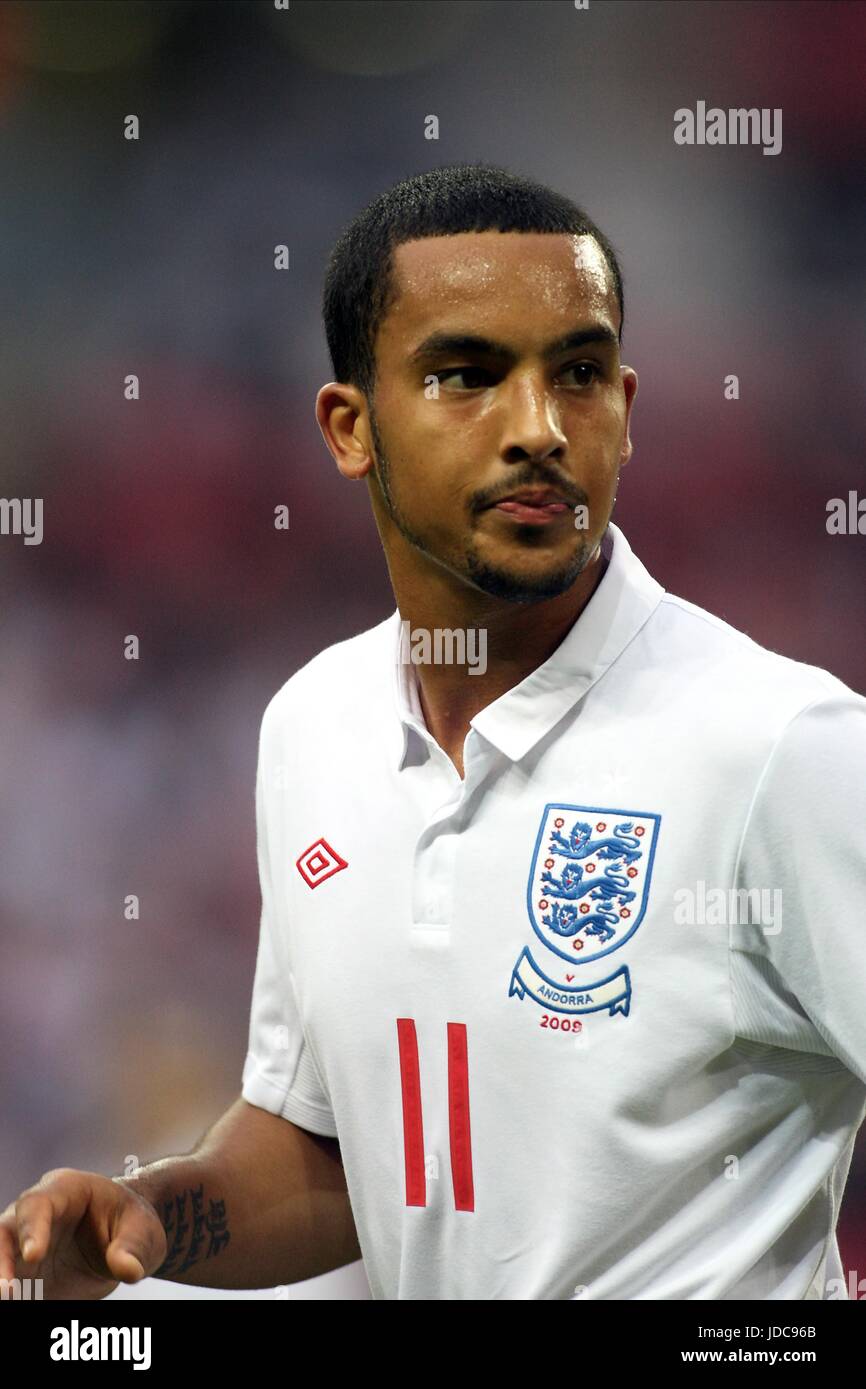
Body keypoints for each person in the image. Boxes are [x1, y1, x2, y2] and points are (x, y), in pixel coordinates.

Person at [3, 164, 865, 1301]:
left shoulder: (781, 747)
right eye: (466, 375)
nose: (540, 430)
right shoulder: (312, 725)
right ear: (349, 426)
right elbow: (330, 1156)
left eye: (579, 374)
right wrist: (152, 1217)